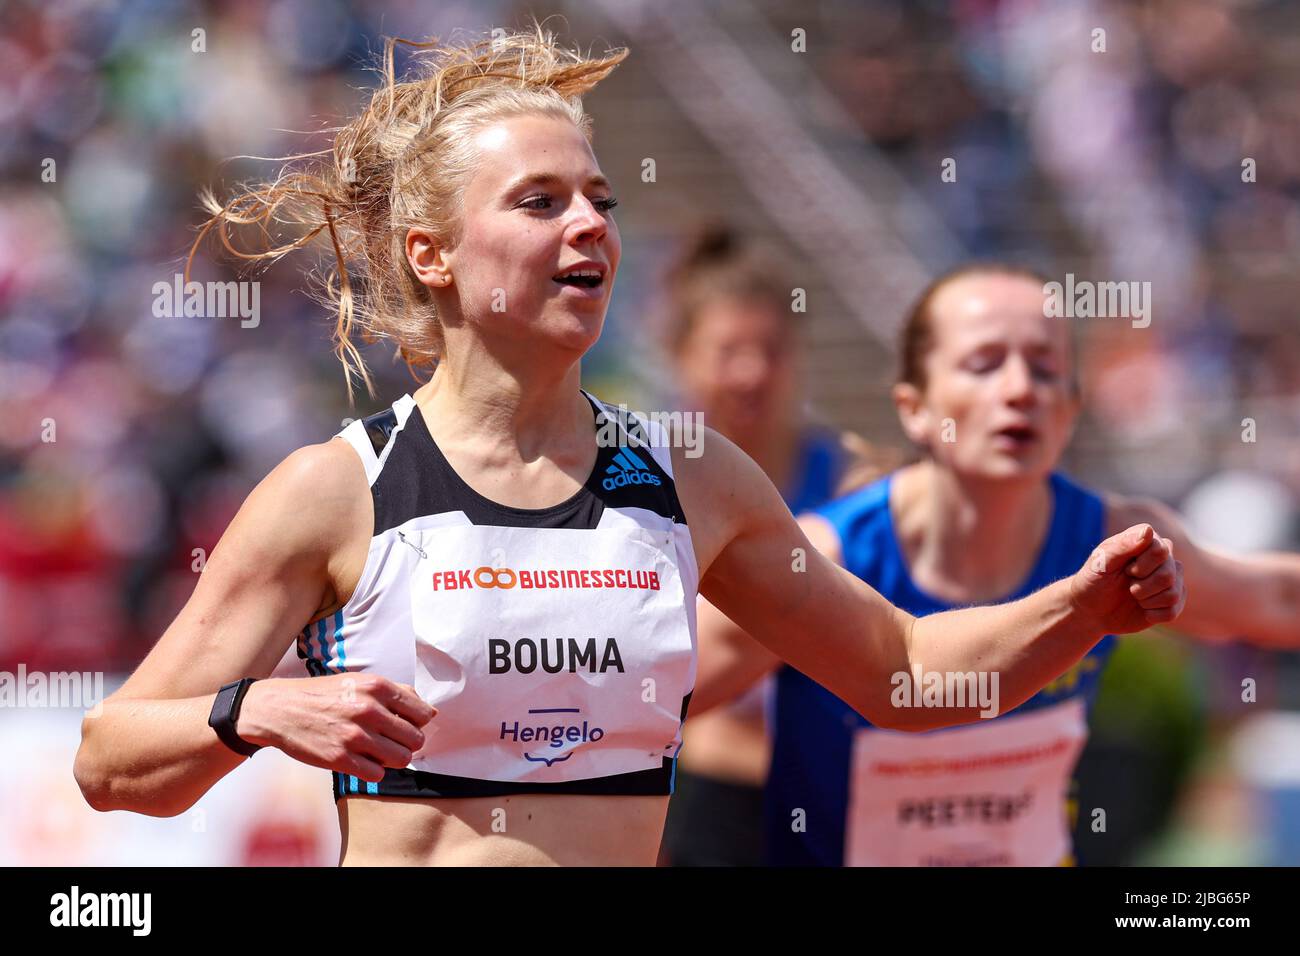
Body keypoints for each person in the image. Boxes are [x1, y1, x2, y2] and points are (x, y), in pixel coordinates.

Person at [72, 30, 1184, 867]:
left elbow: (905, 671)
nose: (591, 224)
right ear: (432, 254)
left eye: (599, 199)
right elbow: (110, 760)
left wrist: (1082, 606)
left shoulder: (689, 477)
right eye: (540, 201)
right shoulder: (337, 489)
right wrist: (260, 711)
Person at [692, 263, 1299, 867]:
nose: (1020, 390)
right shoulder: (824, 561)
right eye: (984, 364)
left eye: (1045, 368)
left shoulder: (1117, 543)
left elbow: (1273, 600)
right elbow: (657, 693)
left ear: (1071, 407)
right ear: (915, 407)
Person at [658, 224, 896, 866]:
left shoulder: (855, 483)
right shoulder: (644, 485)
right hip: (703, 800)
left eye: (771, 350)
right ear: (681, 356)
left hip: (839, 792)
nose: (752, 373)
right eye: (728, 351)